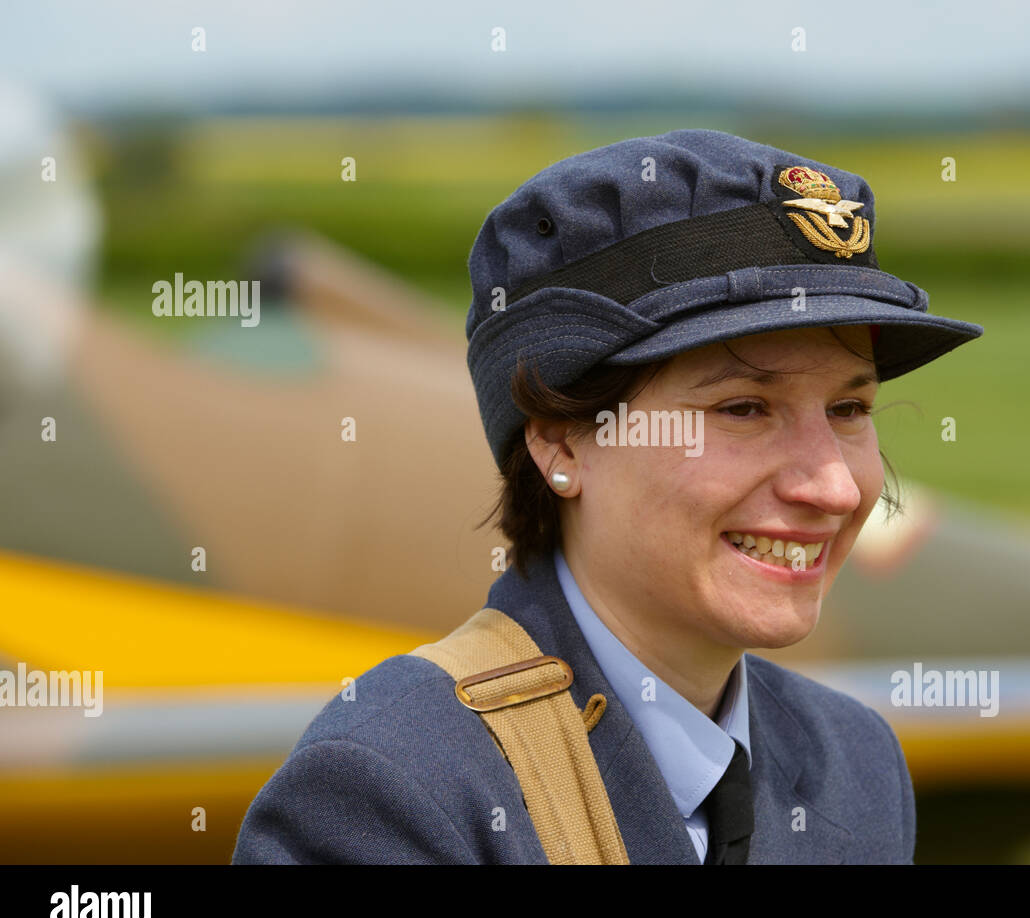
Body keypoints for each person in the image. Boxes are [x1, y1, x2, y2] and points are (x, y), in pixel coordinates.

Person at [232, 129, 983, 864]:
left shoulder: (852, 762)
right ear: (560, 440)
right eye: (743, 409)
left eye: (849, 410)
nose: (833, 484)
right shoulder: (396, 789)